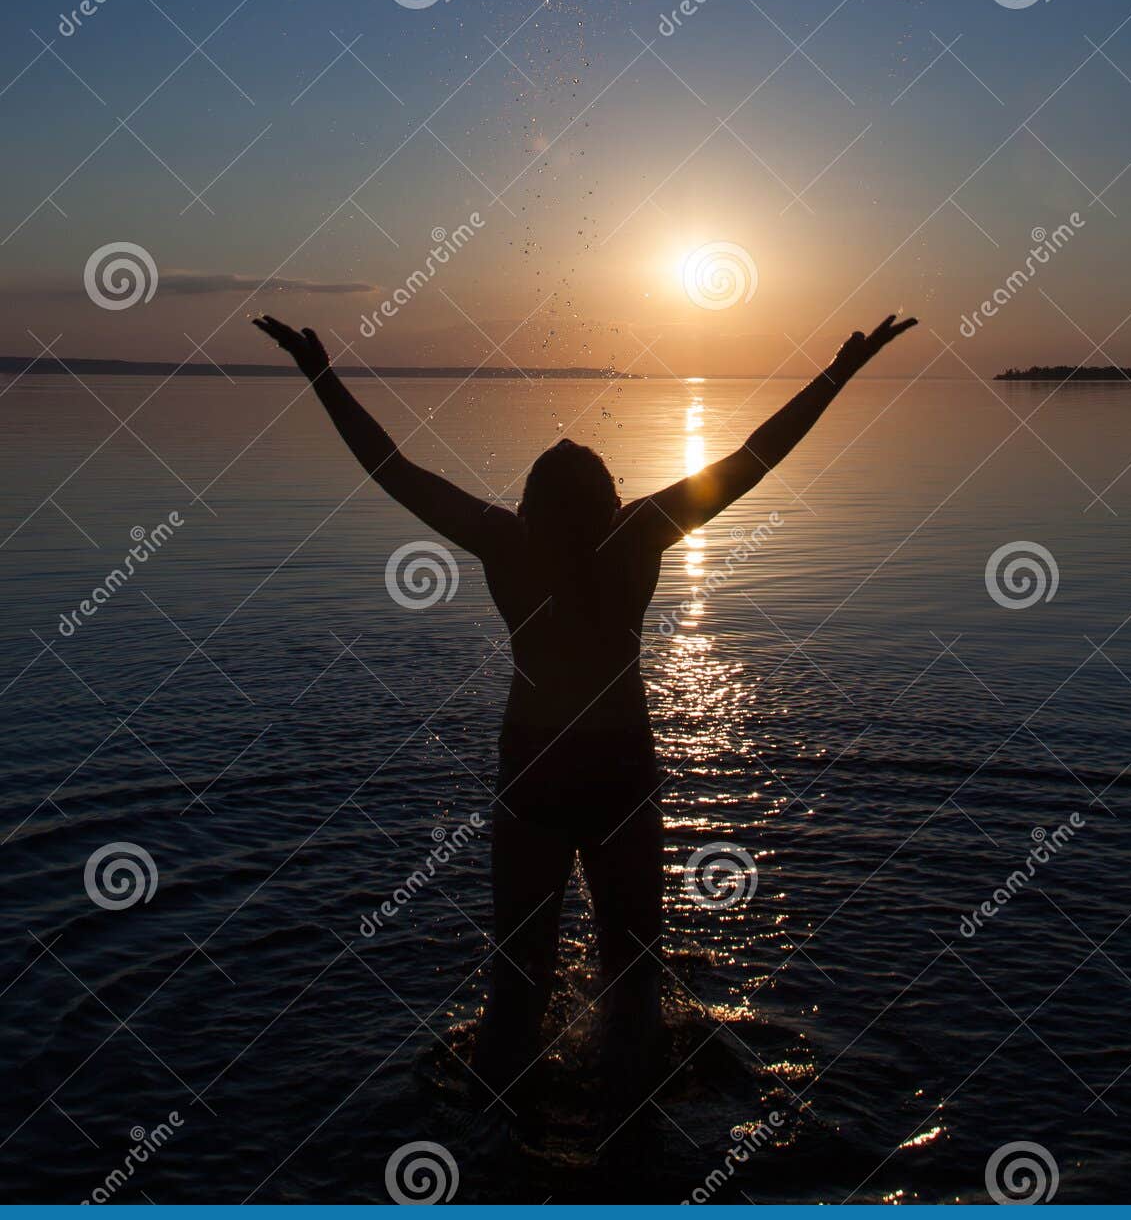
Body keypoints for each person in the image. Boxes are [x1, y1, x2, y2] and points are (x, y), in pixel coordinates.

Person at [252, 311, 917, 1119]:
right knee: (633, 977)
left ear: (531, 502)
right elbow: (754, 458)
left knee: (517, 977)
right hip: (619, 771)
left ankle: (496, 1142)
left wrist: (320, 374)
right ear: (611, 499)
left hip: (533, 768)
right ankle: (633, 1139)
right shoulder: (638, 535)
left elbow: (393, 468)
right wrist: (839, 371)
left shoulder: (505, 541)